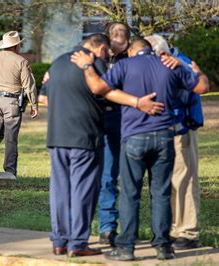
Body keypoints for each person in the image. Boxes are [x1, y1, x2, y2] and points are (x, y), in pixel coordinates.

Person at [71, 37, 209, 261]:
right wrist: (198, 71)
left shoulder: (125, 65)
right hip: (165, 136)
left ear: (132, 51)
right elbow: (202, 87)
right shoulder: (170, 64)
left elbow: (98, 87)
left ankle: (126, 247)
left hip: (134, 137)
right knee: (161, 193)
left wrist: (86, 65)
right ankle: (164, 247)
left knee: (130, 194)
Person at [40, 34, 164, 257]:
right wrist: (137, 102)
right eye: (107, 52)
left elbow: (44, 99)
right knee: (83, 191)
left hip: (56, 137)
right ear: (101, 48)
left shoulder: (57, 63)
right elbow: (106, 91)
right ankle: (77, 243)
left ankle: (59, 241)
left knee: (59, 191)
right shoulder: (93, 64)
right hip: (85, 138)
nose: (108, 57)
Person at [145, 34, 204, 250]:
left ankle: (187, 232)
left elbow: (199, 86)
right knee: (165, 183)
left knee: (184, 181)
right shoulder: (164, 61)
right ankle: (168, 230)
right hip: (160, 131)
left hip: (181, 130)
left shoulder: (182, 63)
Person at [97, 22, 130, 246]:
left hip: (121, 121)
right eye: (114, 38)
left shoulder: (131, 61)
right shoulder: (94, 60)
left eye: (122, 38)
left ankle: (108, 226)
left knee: (110, 176)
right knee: (91, 177)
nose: (117, 42)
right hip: (93, 122)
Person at [0, 31, 38, 177]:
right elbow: (28, 86)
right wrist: (34, 105)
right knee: (11, 138)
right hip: (11, 103)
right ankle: (10, 171)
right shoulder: (21, 61)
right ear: (16, 46)